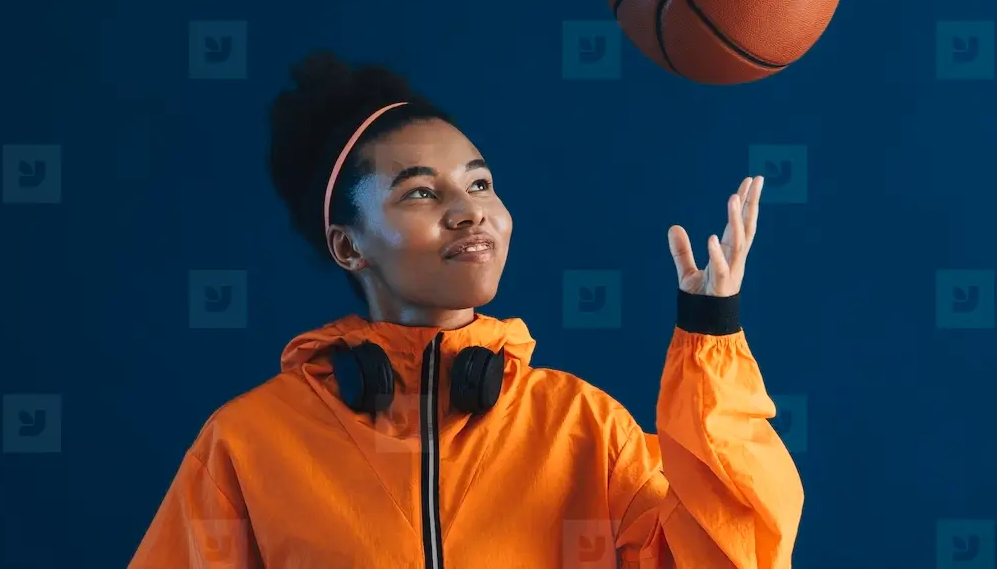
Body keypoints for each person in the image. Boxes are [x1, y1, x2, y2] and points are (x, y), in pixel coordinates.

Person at [129, 50, 802, 569]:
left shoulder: (583, 428)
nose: (470, 211)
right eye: (421, 193)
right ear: (348, 245)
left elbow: (731, 553)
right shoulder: (248, 444)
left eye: (480, 183)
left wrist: (711, 334)